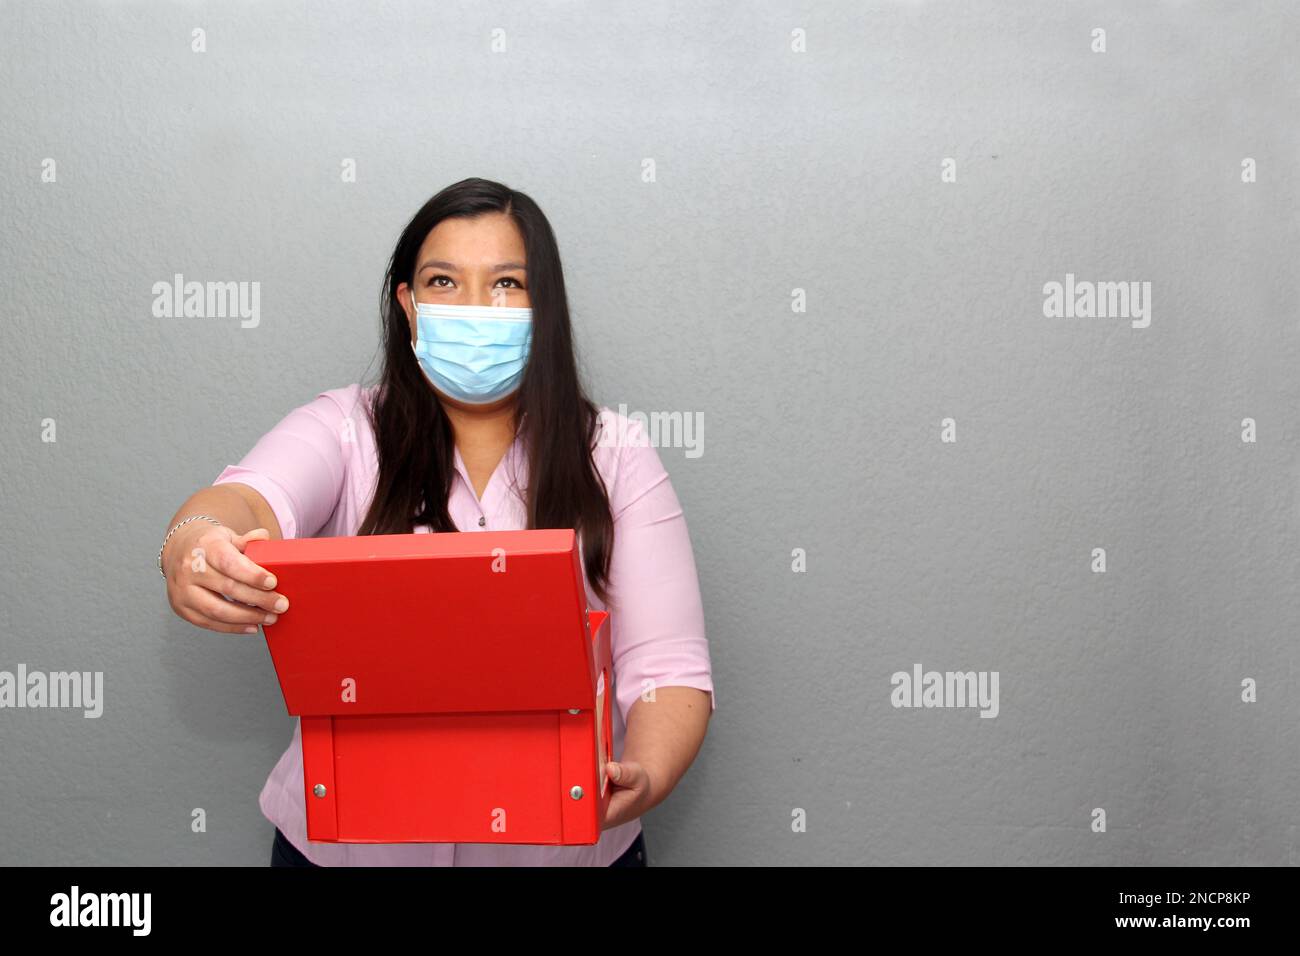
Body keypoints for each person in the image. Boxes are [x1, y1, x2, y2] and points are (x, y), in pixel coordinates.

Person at [159, 177, 716, 866]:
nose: (477, 307)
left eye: (507, 283)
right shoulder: (342, 429)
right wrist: (194, 546)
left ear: (547, 305)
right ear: (409, 305)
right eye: (444, 282)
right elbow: (244, 501)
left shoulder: (618, 454)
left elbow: (666, 666)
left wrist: (649, 774)